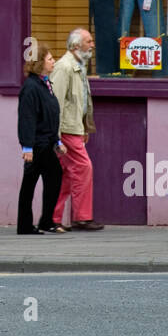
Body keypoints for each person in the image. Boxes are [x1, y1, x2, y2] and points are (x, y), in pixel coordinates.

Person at [51, 28, 103, 231]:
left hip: (74, 129)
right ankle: (82, 217)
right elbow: (57, 103)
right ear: (75, 46)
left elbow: (83, 102)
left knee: (65, 174)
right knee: (83, 167)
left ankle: (54, 216)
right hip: (66, 129)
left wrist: (85, 129)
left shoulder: (78, 66)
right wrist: (56, 136)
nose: (92, 45)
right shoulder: (64, 67)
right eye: (88, 41)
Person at [17, 43, 66, 235]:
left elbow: (50, 115)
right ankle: (31, 224)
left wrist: (57, 141)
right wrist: (27, 147)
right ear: (39, 63)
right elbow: (27, 118)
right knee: (34, 182)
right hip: (37, 145)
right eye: (49, 59)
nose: (53, 61)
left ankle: (42, 221)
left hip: (45, 142)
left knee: (49, 178)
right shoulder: (31, 87)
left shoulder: (45, 84)